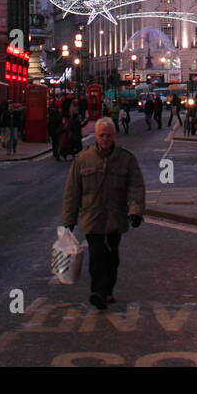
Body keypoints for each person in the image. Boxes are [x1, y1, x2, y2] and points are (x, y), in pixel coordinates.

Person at [61, 118, 146, 311]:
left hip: (115, 218)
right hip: (92, 218)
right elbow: (72, 191)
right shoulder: (83, 159)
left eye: (108, 135)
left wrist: (136, 211)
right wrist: (69, 219)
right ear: (96, 137)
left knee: (112, 257)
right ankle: (97, 291)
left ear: (113, 136)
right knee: (96, 255)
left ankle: (107, 290)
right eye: (101, 135)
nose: (105, 139)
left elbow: (136, 187)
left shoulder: (126, 159)